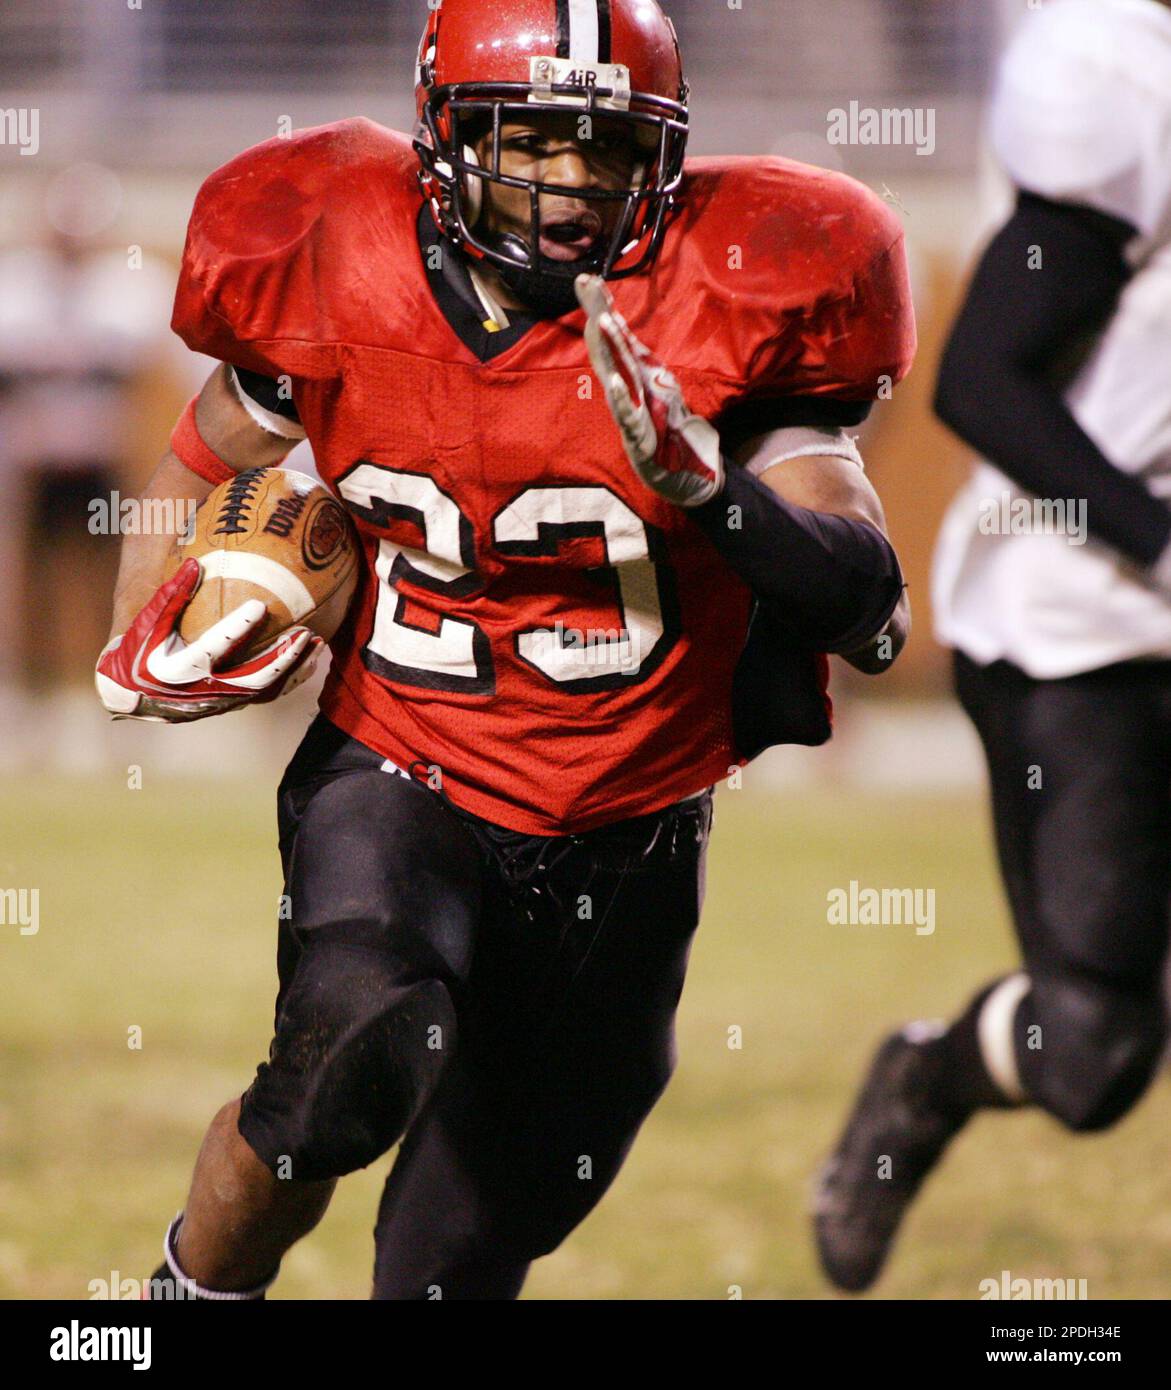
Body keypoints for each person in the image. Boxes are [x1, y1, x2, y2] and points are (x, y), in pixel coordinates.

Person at [96, 0, 914, 1300]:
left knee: (453, 1261)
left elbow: (865, 591)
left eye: (607, 146)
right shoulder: (335, 251)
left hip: (632, 828)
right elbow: (207, 447)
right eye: (534, 141)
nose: (574, 184)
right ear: (445, 135)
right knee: (346, 1051)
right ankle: (178, 1301)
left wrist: (714, 493)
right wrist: (149, 624)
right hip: (402, 765)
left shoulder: (730, 291)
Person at [815, 0, 1171, 1295]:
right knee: (1093, 1049)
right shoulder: (1122, 77)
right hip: (1090, 622)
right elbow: (986, 379)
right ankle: (931, 1074)